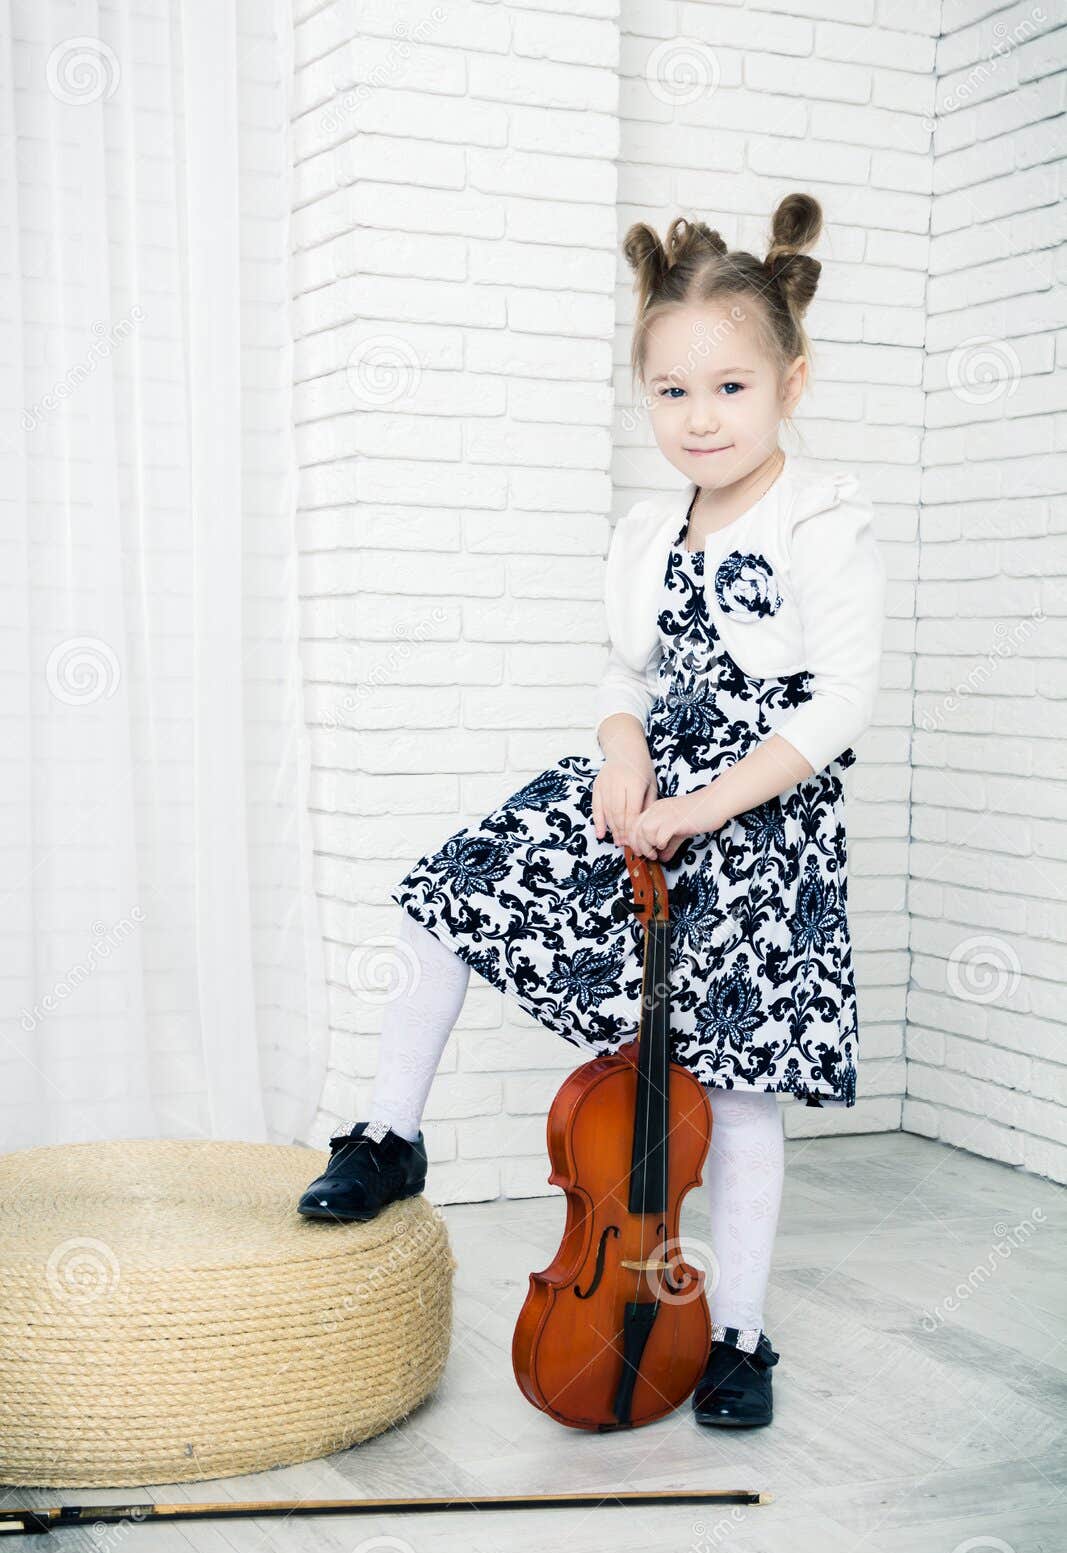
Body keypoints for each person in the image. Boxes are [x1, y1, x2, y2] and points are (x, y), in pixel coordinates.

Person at [298, 192, 887, 1431]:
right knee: (449, 893)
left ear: (792, 377)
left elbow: (837, 702)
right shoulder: (643, 528)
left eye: (728, 387)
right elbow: (623, 672)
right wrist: (621, 752)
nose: (699, 416)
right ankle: (390, 1132)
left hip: (762, 815)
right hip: (659, 780)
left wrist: (705, 805)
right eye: (669, 393)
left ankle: (736, 1335)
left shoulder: (819, 519)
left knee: (733, 1087)